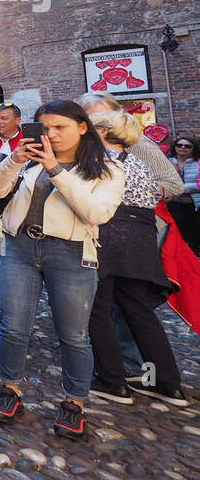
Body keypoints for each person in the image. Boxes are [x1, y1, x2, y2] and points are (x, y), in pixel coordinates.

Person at [0, 101, 125, 441]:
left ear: (82, 127)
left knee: (73, 334)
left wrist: (57, 172)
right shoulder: (29, 161)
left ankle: (74, 402)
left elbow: (96, 213)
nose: (52, 134)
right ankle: (10, 389)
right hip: (19, 247)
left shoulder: (107, 168)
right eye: (46, 128)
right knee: (13, 325)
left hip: (71, 252)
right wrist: (13, 161)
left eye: (60, 127)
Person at [84, 107, 188, 406]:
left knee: (99, 310)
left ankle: (111, 380)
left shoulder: (98, 161)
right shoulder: (139, 164)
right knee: (139, 313)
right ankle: (167, 383)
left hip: (107, 236)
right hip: (139, 241)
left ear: (102, 131)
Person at [164, 133, 200, 254]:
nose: (183, 148)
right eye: (180, 145)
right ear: (175, 147)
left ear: (193, 149)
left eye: (187, 146)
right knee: (179, 234)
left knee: (195, 234)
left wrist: (181, 188)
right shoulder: (166, 163)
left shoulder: (198, 163)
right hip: (175, 204)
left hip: (195, 204)